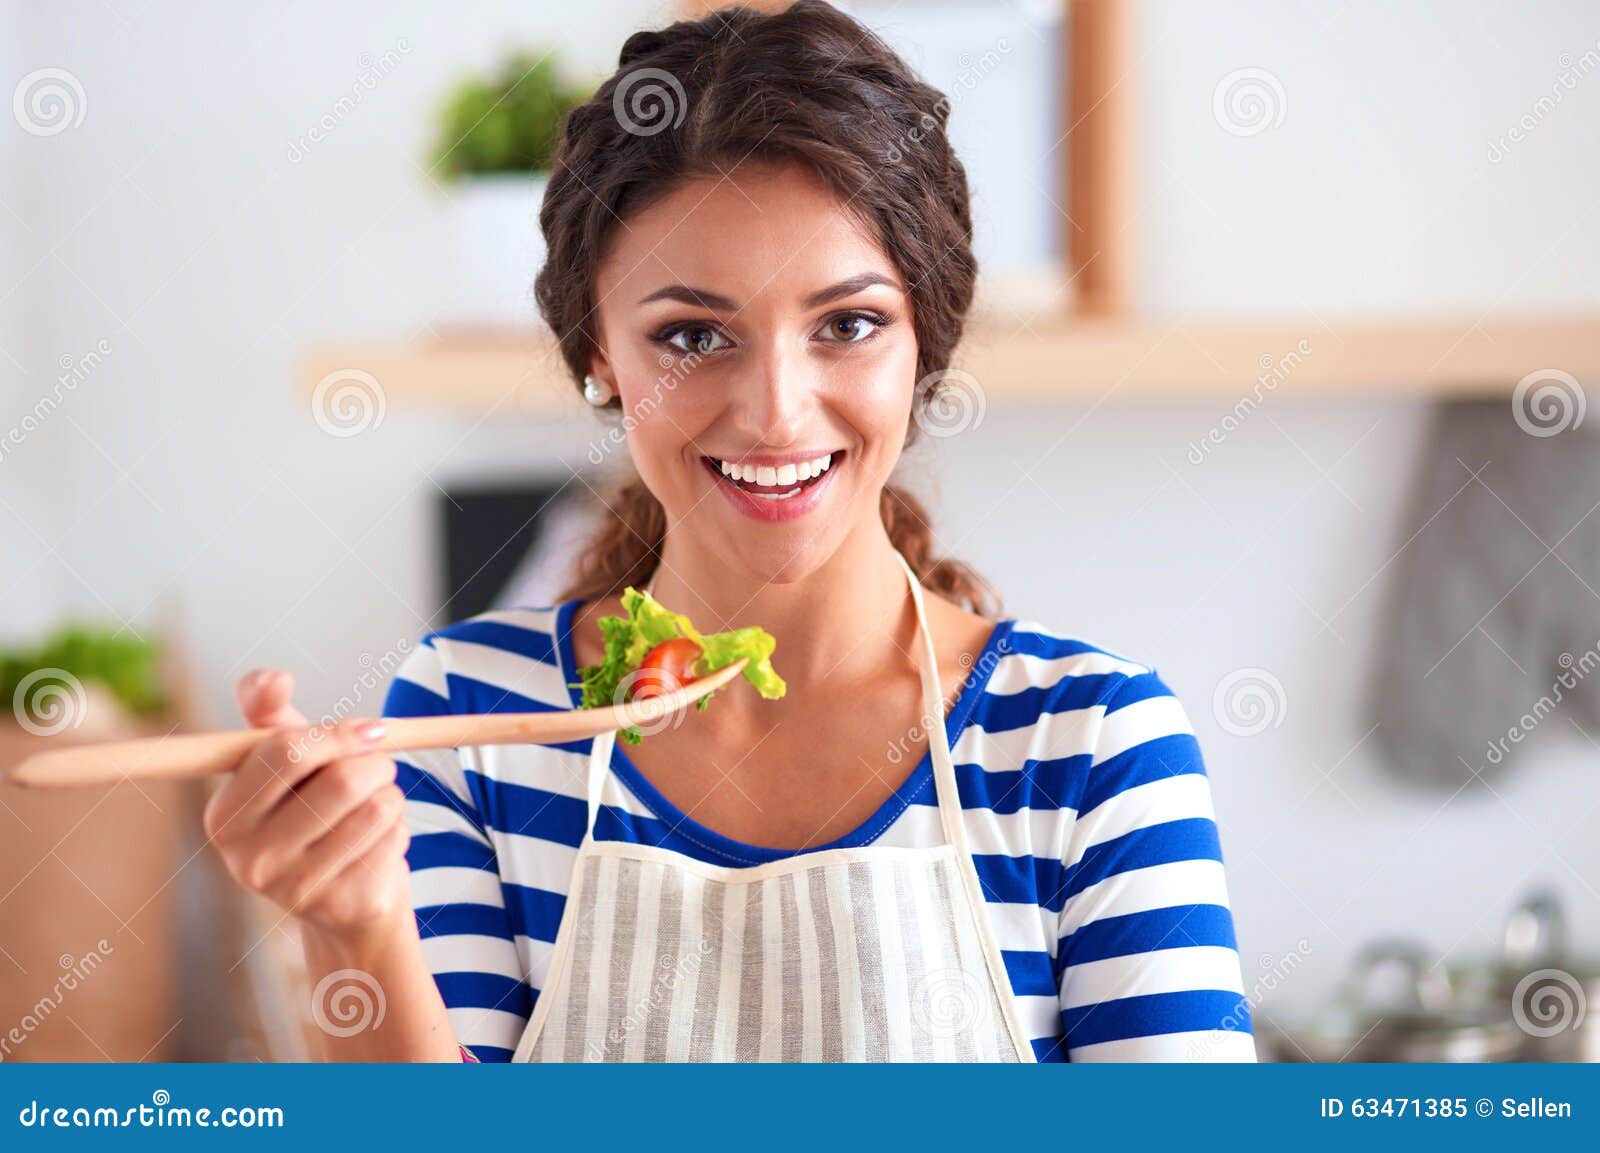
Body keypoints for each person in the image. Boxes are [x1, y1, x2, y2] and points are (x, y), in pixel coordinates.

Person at [207, 0, 1255, 1062]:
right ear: (598, 354)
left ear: (923, 343)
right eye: (692, 335)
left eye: (847, 325)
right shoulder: (469, 718)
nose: (774, 412)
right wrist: (356, 927)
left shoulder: (1089, 741)